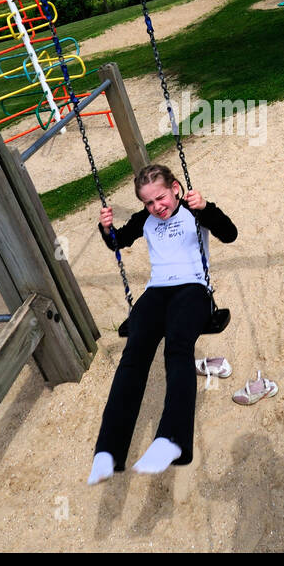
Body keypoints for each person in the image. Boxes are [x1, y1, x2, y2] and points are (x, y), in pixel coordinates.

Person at [88, 164, 237, 484]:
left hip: (194, 291)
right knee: (132, 359)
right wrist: (106, 229)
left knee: (177, 349)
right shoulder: (145, 220)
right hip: (156, 294)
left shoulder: (195, 210)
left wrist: (206, 208)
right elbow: (119, 242)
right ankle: (108, 451)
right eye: (149, 202)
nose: (157, 207)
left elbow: (229, 233)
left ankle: (172, 440)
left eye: (161, 197)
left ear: (175, 188)